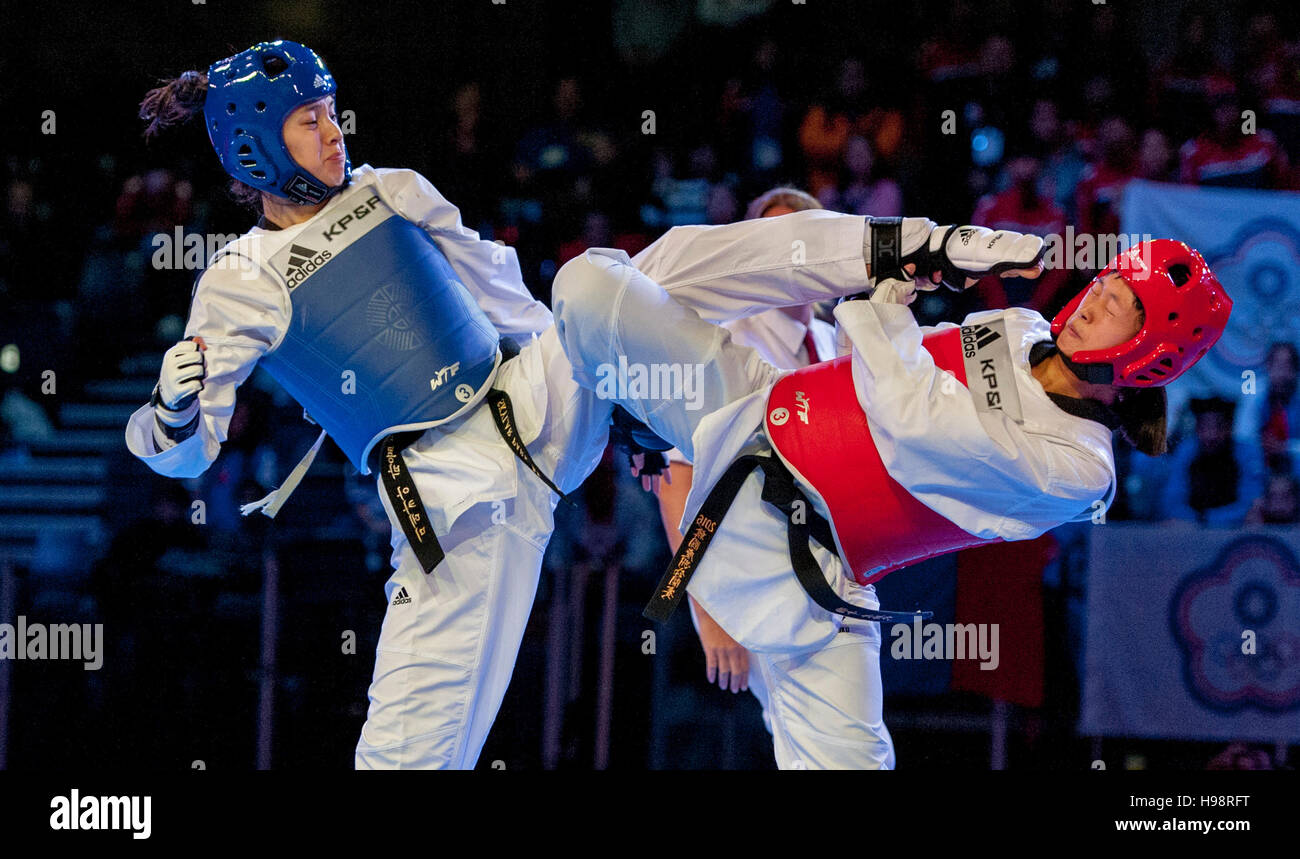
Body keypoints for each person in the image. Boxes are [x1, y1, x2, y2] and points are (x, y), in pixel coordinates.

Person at [551, 219, 1232, 769]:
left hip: (811, 577)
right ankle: (615, 412)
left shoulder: (1079, 470)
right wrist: (905, 264)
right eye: (1108, 281)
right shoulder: (1023, 326)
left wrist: (886, 287)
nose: (1096, 299)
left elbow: (917, 421)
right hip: (755, 409)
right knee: (589, 285)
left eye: (1122, 305)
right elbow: (913, 357)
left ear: (1153, 354)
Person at [124, 40, 617, 769]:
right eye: (309, 120)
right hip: (448, 510)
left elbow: (517, 306)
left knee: (610, 284)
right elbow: (190, 449)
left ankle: (844, 267)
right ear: (257, 146)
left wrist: (625, 399)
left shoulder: (394, 188)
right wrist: (170, 409)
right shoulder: (240, 278)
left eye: (331, 112)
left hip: (531, 417)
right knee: (402, 761)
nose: (334, 132)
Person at [654, 186, 835, 697]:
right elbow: (677, 481)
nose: (787, 256)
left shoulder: (832, 343)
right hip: (755, 584)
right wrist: (710, 611)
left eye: (800, 241)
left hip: (828, 578)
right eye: (770, 241)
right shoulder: (729, 338)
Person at [1159, 396, 1264, 527]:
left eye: (1218, 427)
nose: (1211, 435)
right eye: (1204, 426)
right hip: (1189, 527)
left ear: (1230, 427)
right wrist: (1194, 520)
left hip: (1234, 528)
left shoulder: (1247, 452)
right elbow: (1172, 500)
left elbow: (1251, 502)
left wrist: (1208, 520)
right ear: (1197, 428)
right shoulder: (1187, 450)